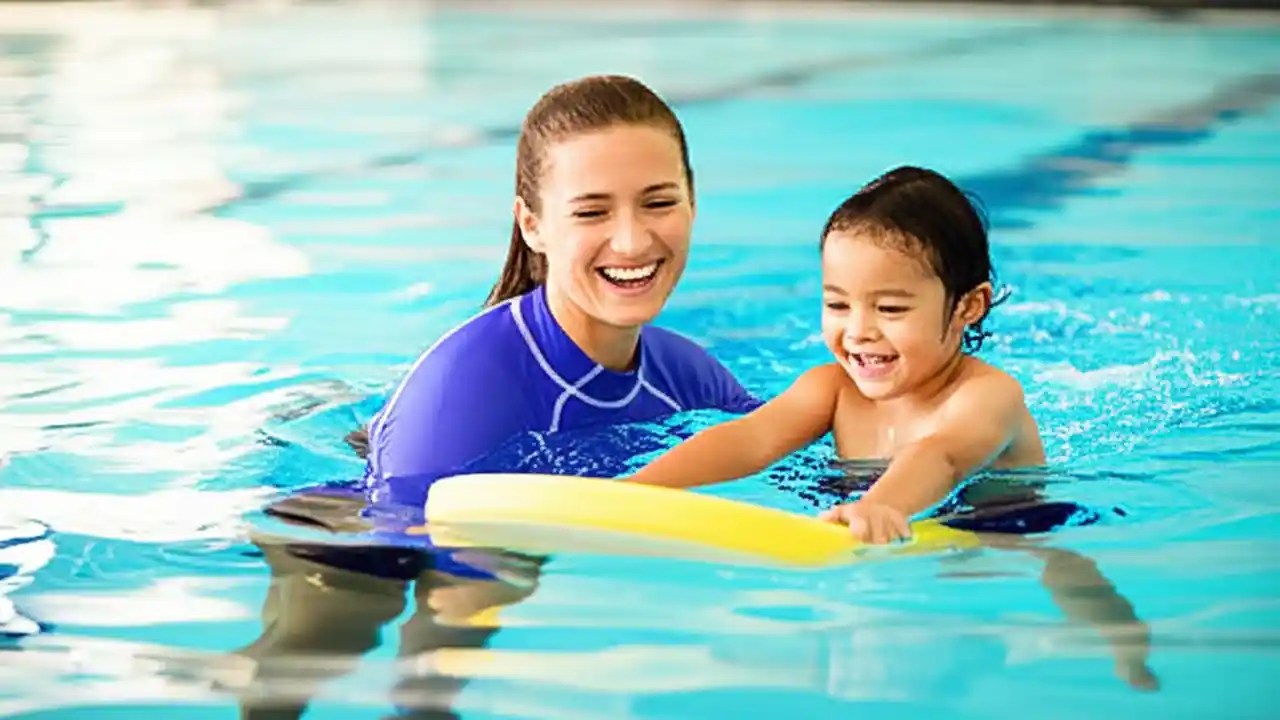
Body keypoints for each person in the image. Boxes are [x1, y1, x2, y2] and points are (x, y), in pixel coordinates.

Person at [233, 74, 759, 720]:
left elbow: (797, 458)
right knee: (308, 675)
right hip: (350, 522)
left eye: (658, 202)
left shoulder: (686, 377)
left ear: (693, 205)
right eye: (592, 211)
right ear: (532, 225)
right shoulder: (465, 390)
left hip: (491, 499)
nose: (631, 241)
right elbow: (411, 535)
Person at [626, 165, 1158, 689]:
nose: (858, 331)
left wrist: (885, 504)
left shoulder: (989, 395)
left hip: (996, 519)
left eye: (890, 307)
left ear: (969, 306)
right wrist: (637, 490)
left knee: (1052, 555)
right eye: (837, 304)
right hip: (866, 506)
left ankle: (1121, 639)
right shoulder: (832, 389)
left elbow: (943, 455)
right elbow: (749, 439)